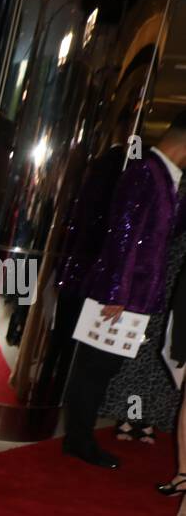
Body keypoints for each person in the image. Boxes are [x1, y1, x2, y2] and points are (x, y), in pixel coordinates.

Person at [64, 112, 186, 468]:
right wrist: (116, 292)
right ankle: (78, 439)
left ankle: (79, 437)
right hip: (122, 293)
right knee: (95, 366)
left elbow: (163, 232)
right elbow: (124, 236)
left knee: (104, 365)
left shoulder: (162, 176)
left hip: (137, 292)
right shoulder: (145, 172)